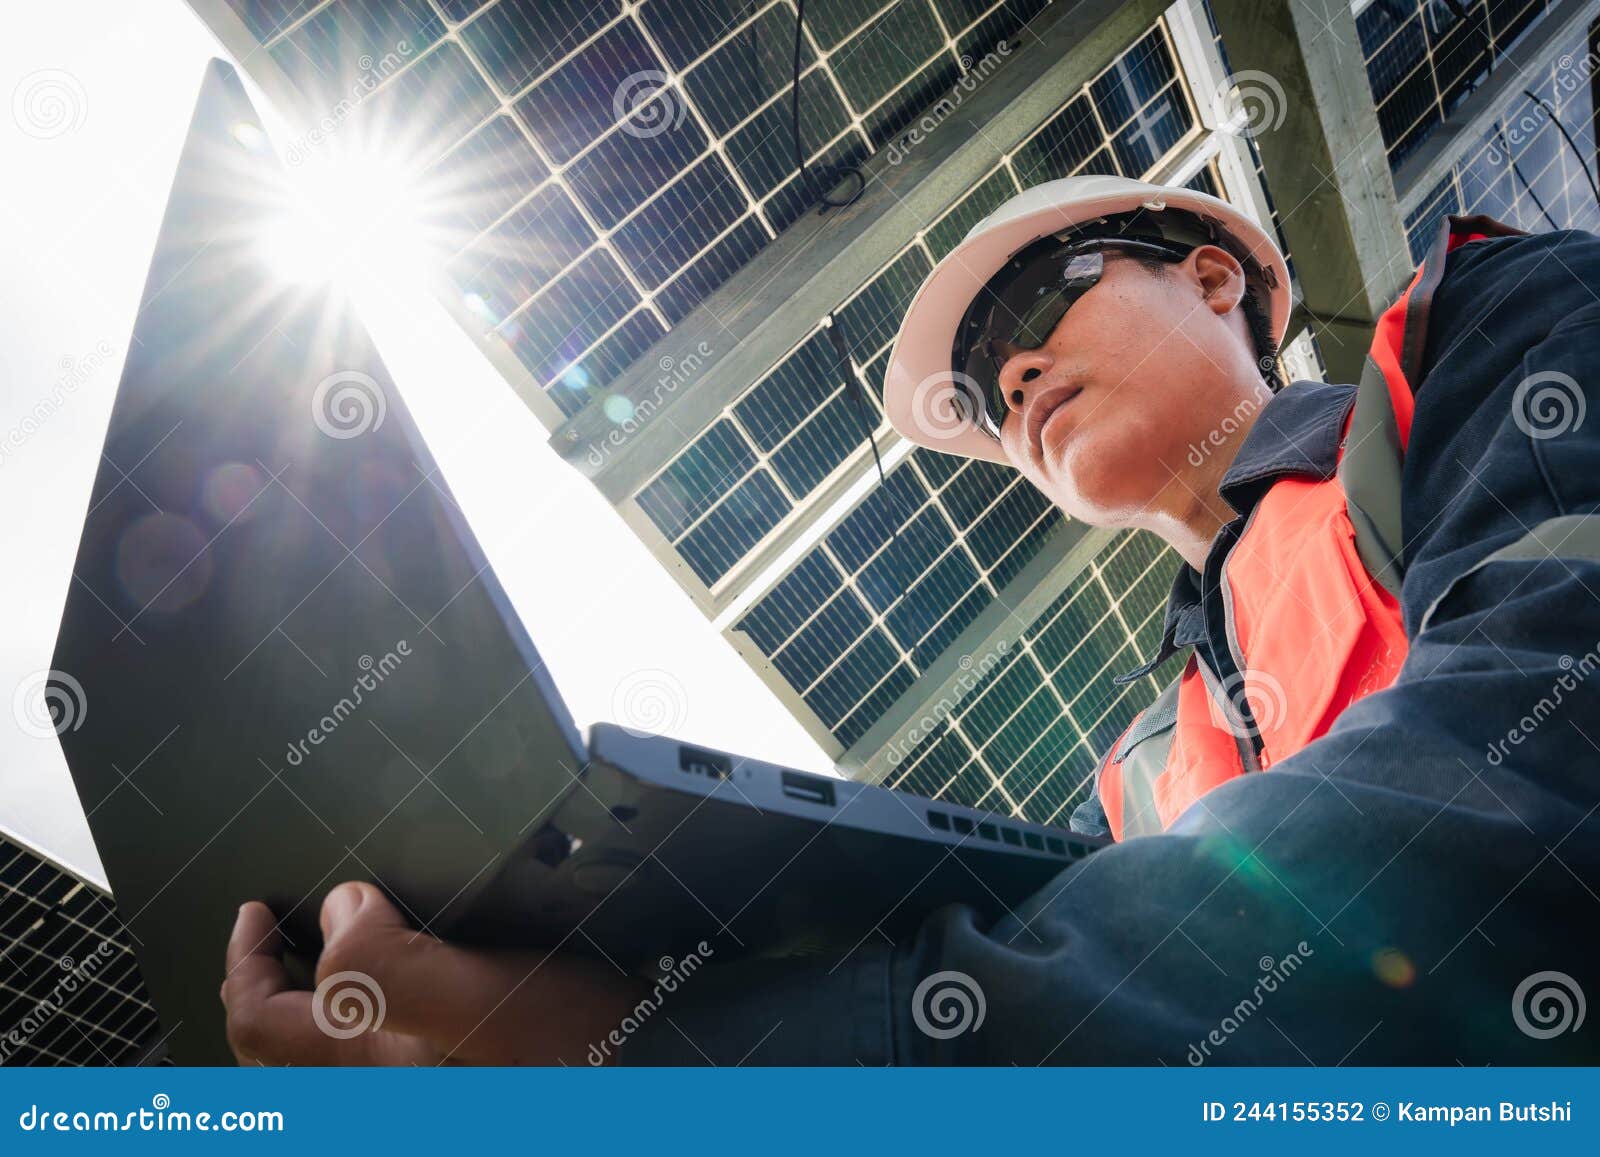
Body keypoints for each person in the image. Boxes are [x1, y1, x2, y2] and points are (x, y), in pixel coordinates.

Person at [221, 176, 1600, 1065]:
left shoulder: (1485, 338)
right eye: (994, 403)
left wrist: (668, 1059)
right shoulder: (1132, 786)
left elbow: (1536, 767)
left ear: (1215, 277)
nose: (1012, 376)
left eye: (1035, 299)